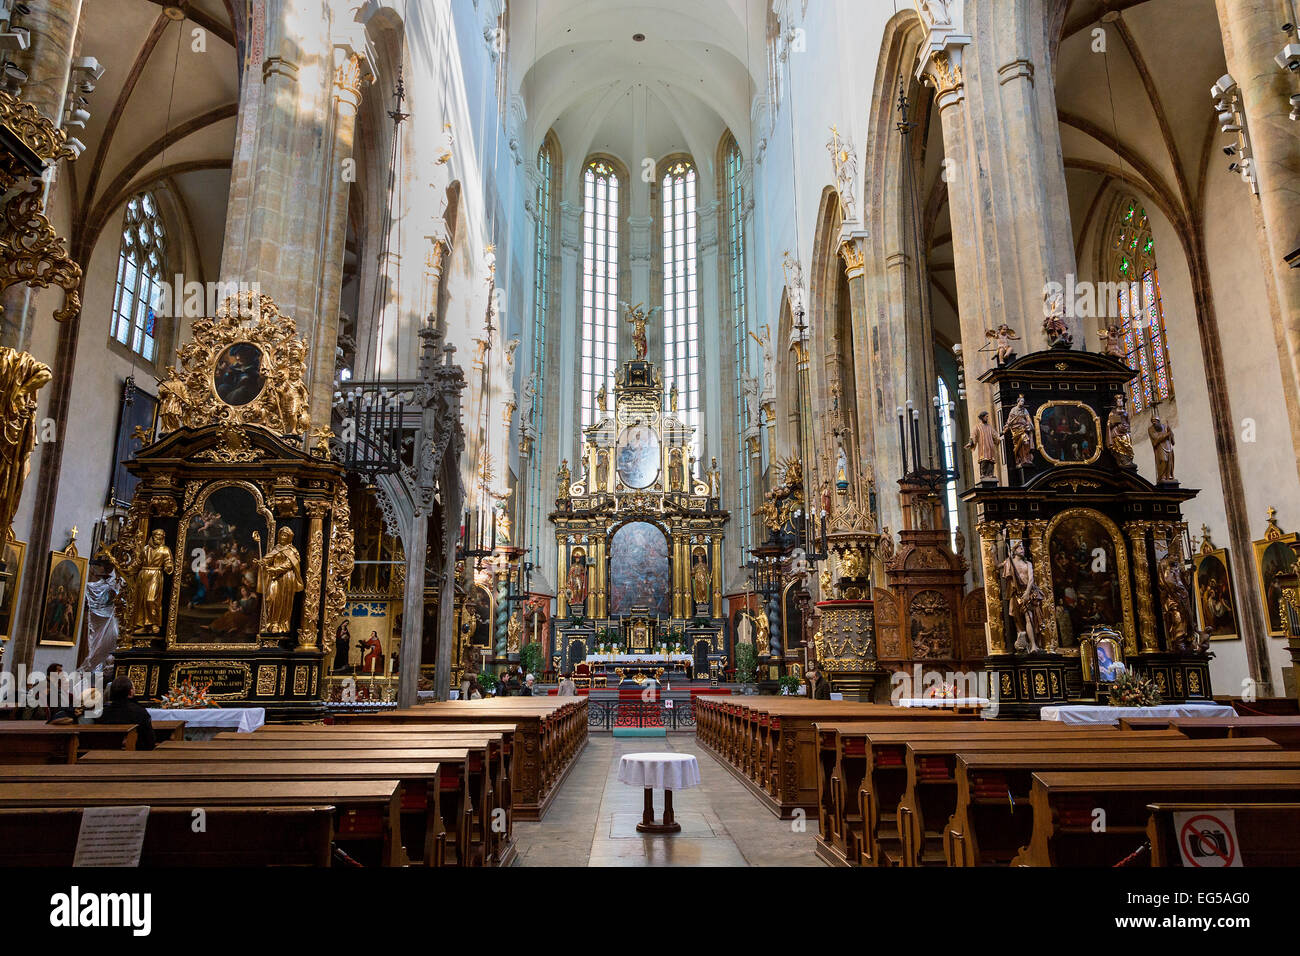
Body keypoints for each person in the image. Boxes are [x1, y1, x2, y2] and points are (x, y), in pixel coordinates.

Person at [97, 676, 156, 751]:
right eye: (133, 688)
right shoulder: (140, 712)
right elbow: (149, 740)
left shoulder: (103, 713)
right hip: (136, 754)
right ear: (131, 692)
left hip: (106, 753)